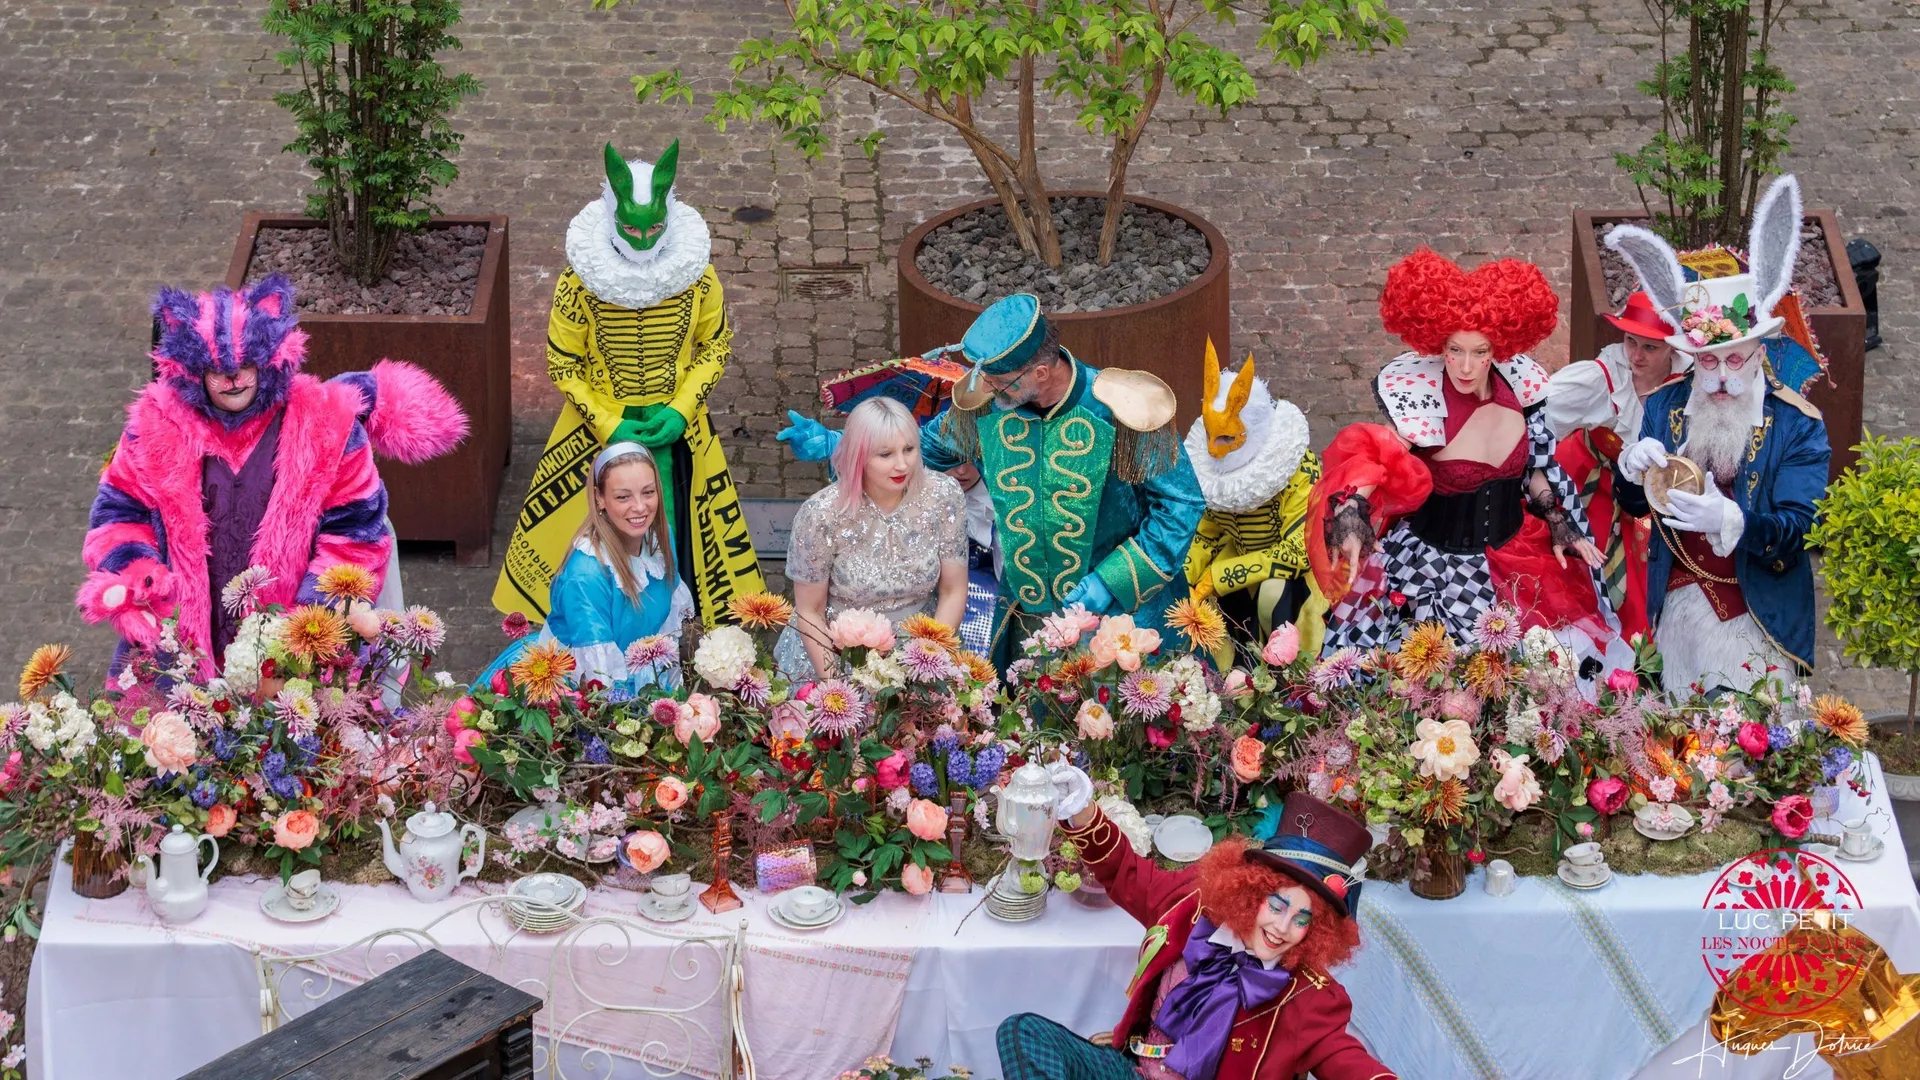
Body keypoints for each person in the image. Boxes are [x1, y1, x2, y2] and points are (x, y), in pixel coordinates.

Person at [78, 275, 468, 675]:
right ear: (192, 369)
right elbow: (119, 514)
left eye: (245, 365)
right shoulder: (153, 427)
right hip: (178, 653)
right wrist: (138, 577)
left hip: (300, 649)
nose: (233, 379)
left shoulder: (327, 424)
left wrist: (307, 627)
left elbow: (355, 533)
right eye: (216, 369)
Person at [494, 140, 764, 628]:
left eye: (653, 228)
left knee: (687, 537)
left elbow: (715, 346)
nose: (642, 240)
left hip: (678, 430)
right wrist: (607, 423)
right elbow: (562, 362)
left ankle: (679, 627)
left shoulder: (700, 279)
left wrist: (682, 408)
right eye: (632, 228)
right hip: (599, 429)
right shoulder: (579, 282)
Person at [1307, 249, 1619, 663]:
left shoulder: (1520, 391)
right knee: (1437, 673)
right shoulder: (1424, 402)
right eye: (1455, 350)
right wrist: (1351, 511)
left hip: (1518, 554)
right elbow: (1378, 459)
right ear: (1440, 345)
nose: (1466, 367)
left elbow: (1530, 469)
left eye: (1480, 351)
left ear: (1498, 349)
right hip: (1436, 569)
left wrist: (1555, 518)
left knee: (1540, 670)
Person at [995, 778, 1399, 1080]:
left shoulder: (1310, 997)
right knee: (1021, 1032)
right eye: (1276, 905)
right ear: (1251, 892)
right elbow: (1126, 872)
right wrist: (1083, 813)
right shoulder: (1193, 905)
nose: (1282, 927)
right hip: (1134, 1071)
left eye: (1302, 919)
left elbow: (1343, 1058)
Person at [1609, 174, 1830, 695]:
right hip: (1675, 609)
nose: (1723, 376)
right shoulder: (1665, 404)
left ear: (1759, 354)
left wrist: (1733, 520)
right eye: (1708, 361)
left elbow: (1801, 528)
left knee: (1751, 736)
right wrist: (1631, 470)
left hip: (1758, 616)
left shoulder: (1798, 423)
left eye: (1735, 359)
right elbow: (1636, 506)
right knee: (1677, 733)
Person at [923, 293, 1207, 668]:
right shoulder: (988, 403)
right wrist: (860, 447)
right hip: (1028, 622)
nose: (988, 388)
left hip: (1123, 618)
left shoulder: (1122, 408)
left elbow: (1181, 504)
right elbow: (923, 448)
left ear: (1041, 373)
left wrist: (1112, 581)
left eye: (1000, 381)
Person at [777, 404, 1002, 656]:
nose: (902, 465)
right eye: (885, 454)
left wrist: (928, 660)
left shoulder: (943, 495)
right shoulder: (820, 514)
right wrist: (835, 678)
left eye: (909, 449)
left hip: (925, 645)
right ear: (858, 456)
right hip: (837, 651)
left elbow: (953, 590)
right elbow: (810, 611)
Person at [479, 443, 694, 695]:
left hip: (643, 680)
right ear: (599, 498)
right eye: (623, 497)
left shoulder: (659, 539)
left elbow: (667, 630)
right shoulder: (586, 574)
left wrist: (672, 695)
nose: (639, 507)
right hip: (577, 691)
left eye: (648, 492)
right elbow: (597, 686)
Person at [1545, 292, 1692, 639]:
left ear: (1672, 347)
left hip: (1645, 497)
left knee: (1648, 586)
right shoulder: (1604, 376)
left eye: (1650, 347)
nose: (1636, 356)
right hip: (1587, 479)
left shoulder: (1688, 384)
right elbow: (1540, 412)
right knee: (1577, 569)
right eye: (1630, 341)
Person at [1183, 339, 1326, 665]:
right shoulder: (1212, 468)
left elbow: (1299, 550)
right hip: (1238, 554)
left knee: (1272, 595)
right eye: (1210, 436)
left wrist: (1220, 575)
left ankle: (1281, 679)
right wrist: (1188, 574)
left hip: (1291, 572)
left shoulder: (1293, 466)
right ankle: (1235, 675)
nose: (1213, 450)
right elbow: (1208, 530)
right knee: (1204, 605)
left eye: (1226, 438)